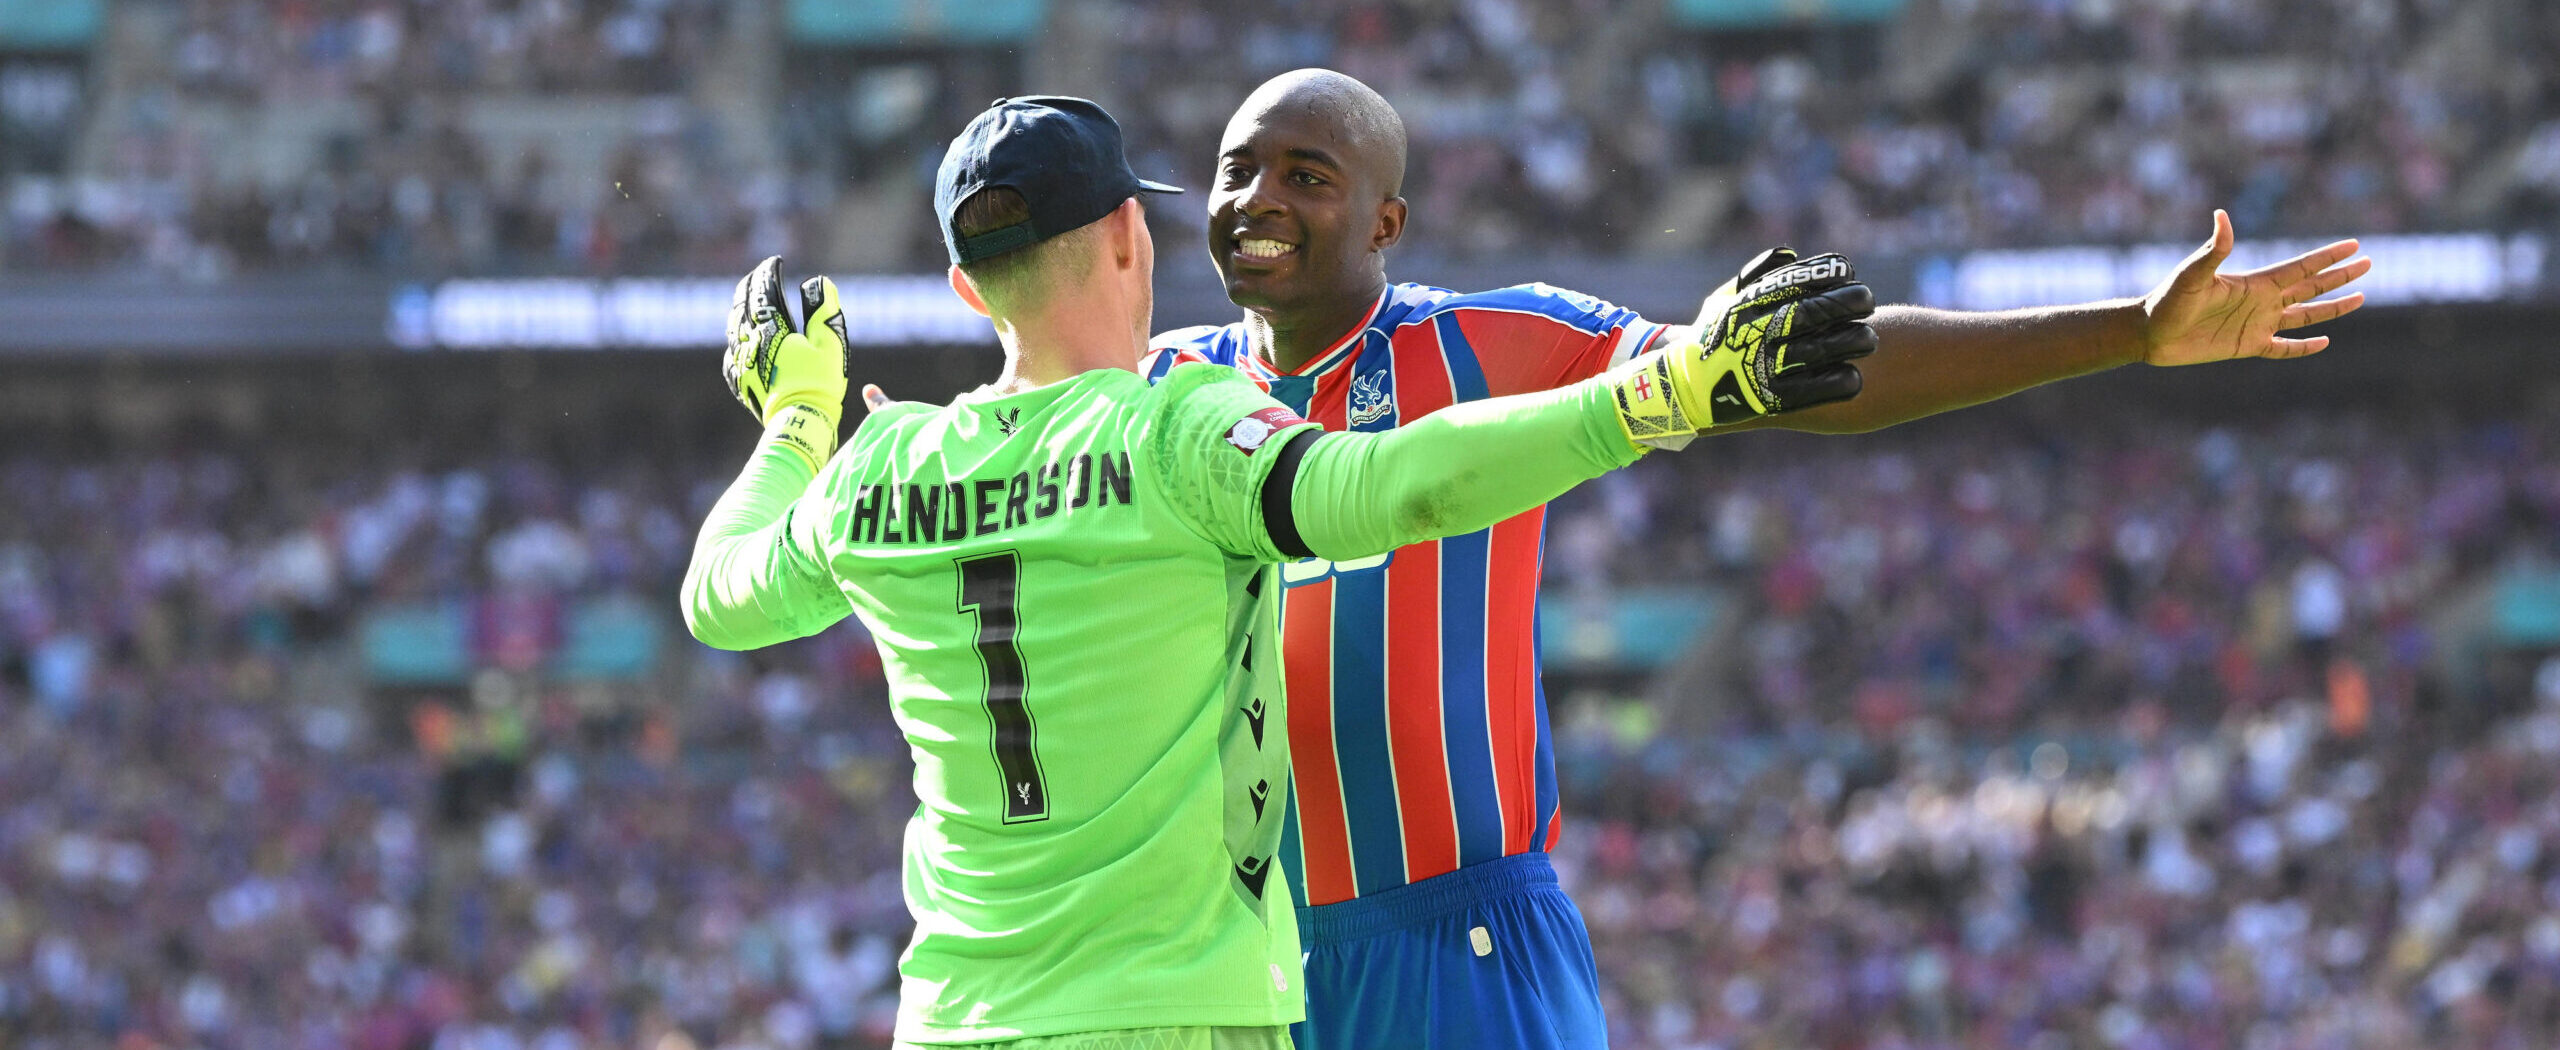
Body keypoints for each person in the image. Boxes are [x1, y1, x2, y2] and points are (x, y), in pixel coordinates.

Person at [1063, 69, 2366, 1050]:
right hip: (1235, 949)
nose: (1261, 201)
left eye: (1308, 174)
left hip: (1450, 936)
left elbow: (1797, 374)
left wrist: (2131, 329)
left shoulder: (1497, 342)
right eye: (1240, 171)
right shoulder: (1158, 391)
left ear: (1387, 219)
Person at [681, 96, 1877, 1050]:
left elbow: (721, 595)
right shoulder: (1175, 425)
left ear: (963, 287)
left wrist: (796, 416)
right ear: (1126, 238)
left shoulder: (883, 466)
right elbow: (1393, 487)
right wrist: (1659, 393)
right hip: (1172, 1006)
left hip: (952, 1014)